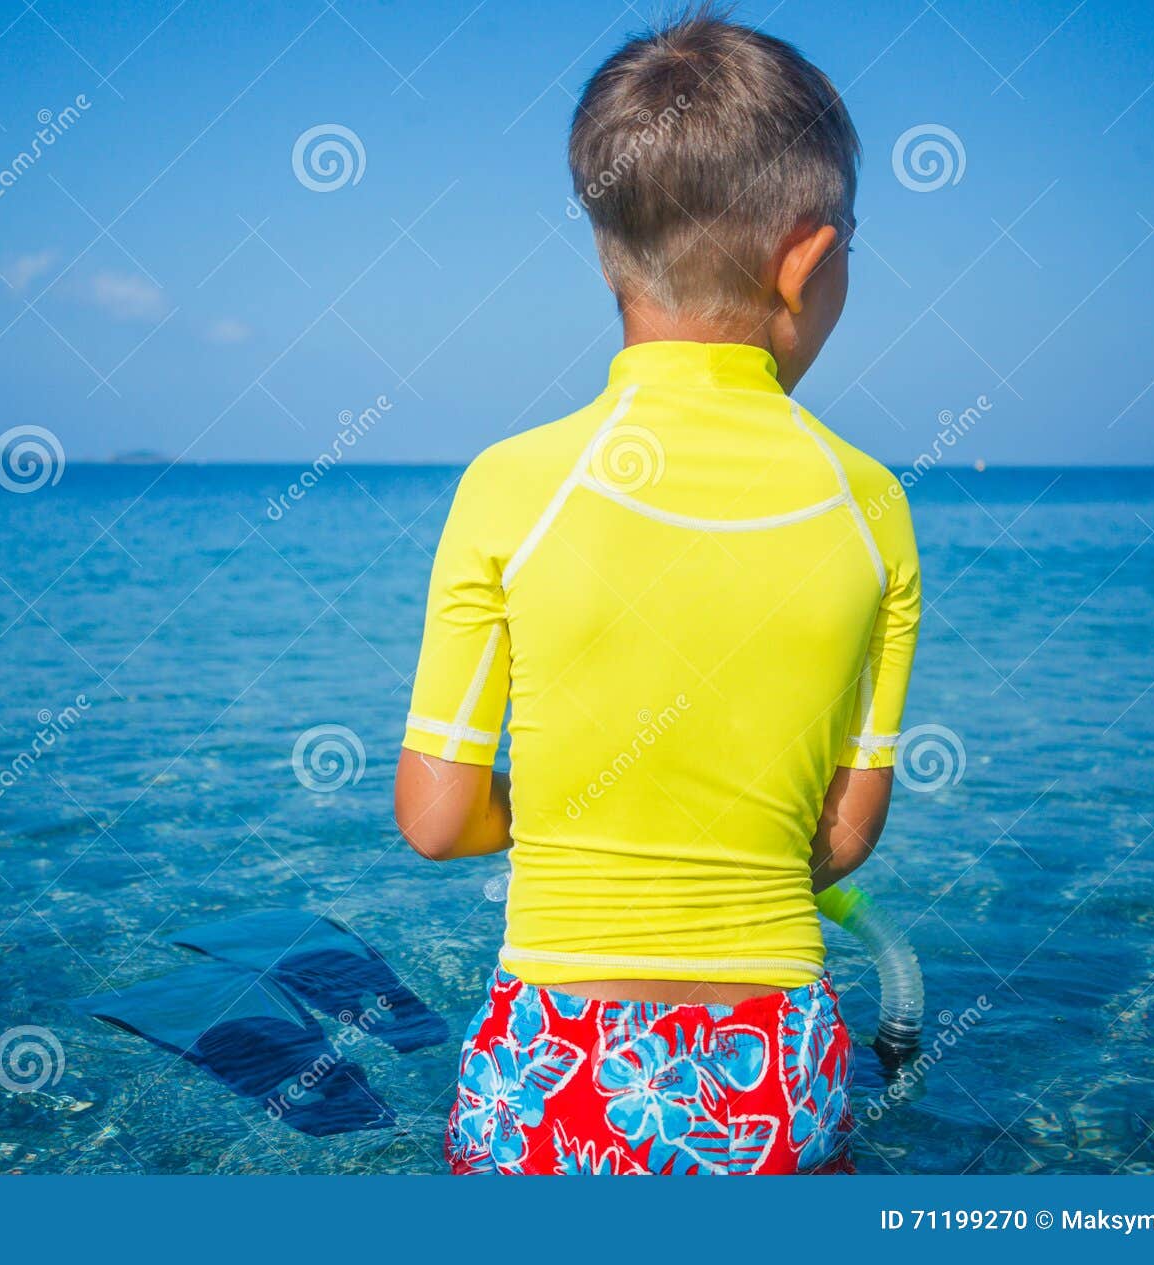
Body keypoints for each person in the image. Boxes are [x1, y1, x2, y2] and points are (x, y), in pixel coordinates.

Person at [393, 9, 920, 1176]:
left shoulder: (511, 485)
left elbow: (435, 822)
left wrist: (587, 808)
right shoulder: (868, 503)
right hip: (770, 1078)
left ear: (604, 248)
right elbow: (840, 835)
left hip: (549, 1075)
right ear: (807, 257)